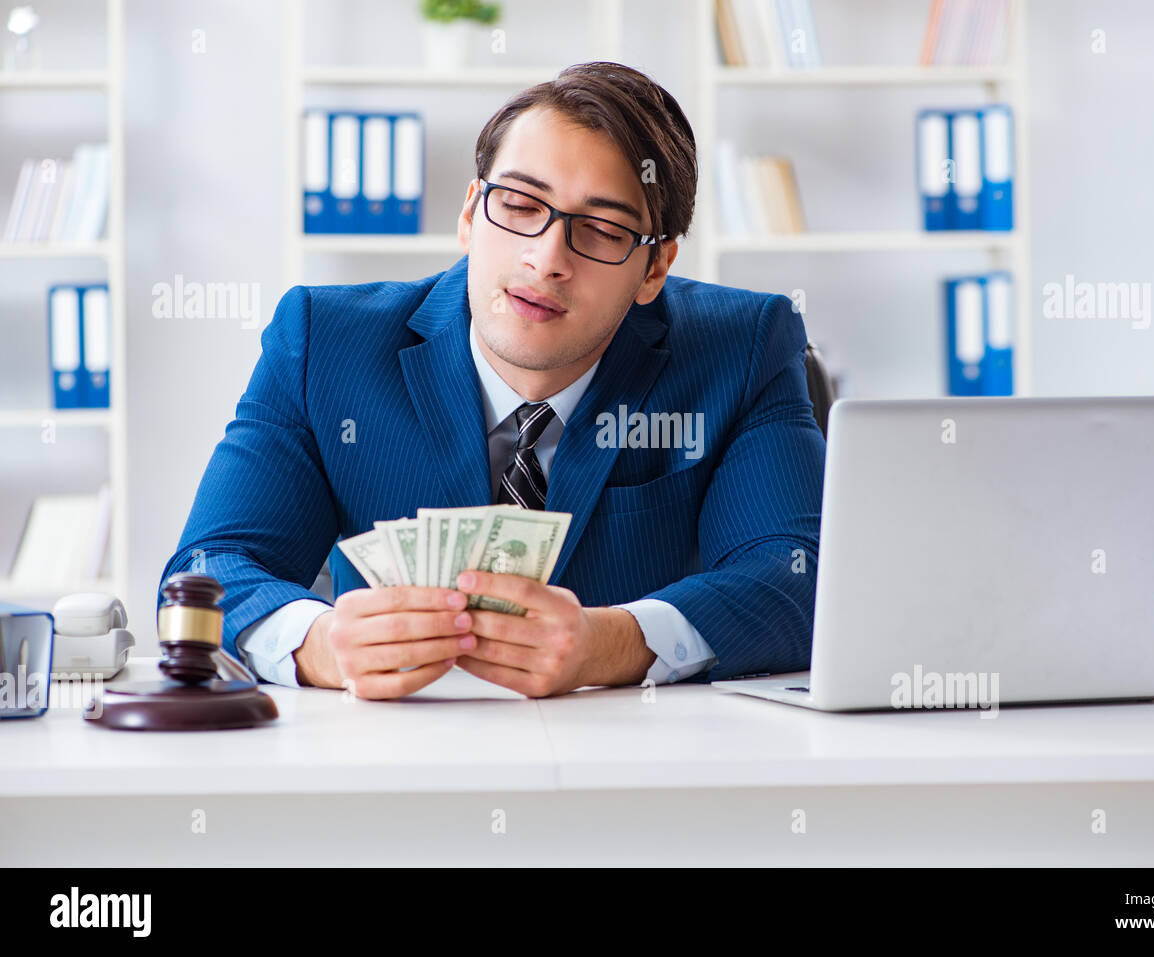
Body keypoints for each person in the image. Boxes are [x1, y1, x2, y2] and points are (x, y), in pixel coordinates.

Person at [159, 61, 825, 700]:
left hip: (632, 767)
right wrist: (318, 642)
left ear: (655, 269)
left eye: (601, 229)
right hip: (395, 764)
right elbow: (208, 568)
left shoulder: (743, 346)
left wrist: (614, 642)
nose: (546, 258)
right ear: (471, 211)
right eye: (519, 203)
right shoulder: (323, 343)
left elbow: (802, 581)